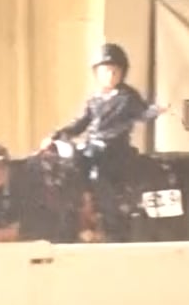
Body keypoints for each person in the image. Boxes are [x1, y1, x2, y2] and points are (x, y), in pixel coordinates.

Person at [50, 42, 162, 240]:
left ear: (122, 73)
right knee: (69, 165)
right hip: (92, 146)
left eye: (115, 71)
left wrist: (155, 111)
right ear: (97, 73)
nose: (110, 75)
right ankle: (80, 215)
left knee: (98, 175)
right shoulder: (95, 99)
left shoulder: (128, 97)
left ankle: (111, 222)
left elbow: (142, 113)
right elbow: (81, 122)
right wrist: (60, 133)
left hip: (115, 149)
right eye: (106, 70)